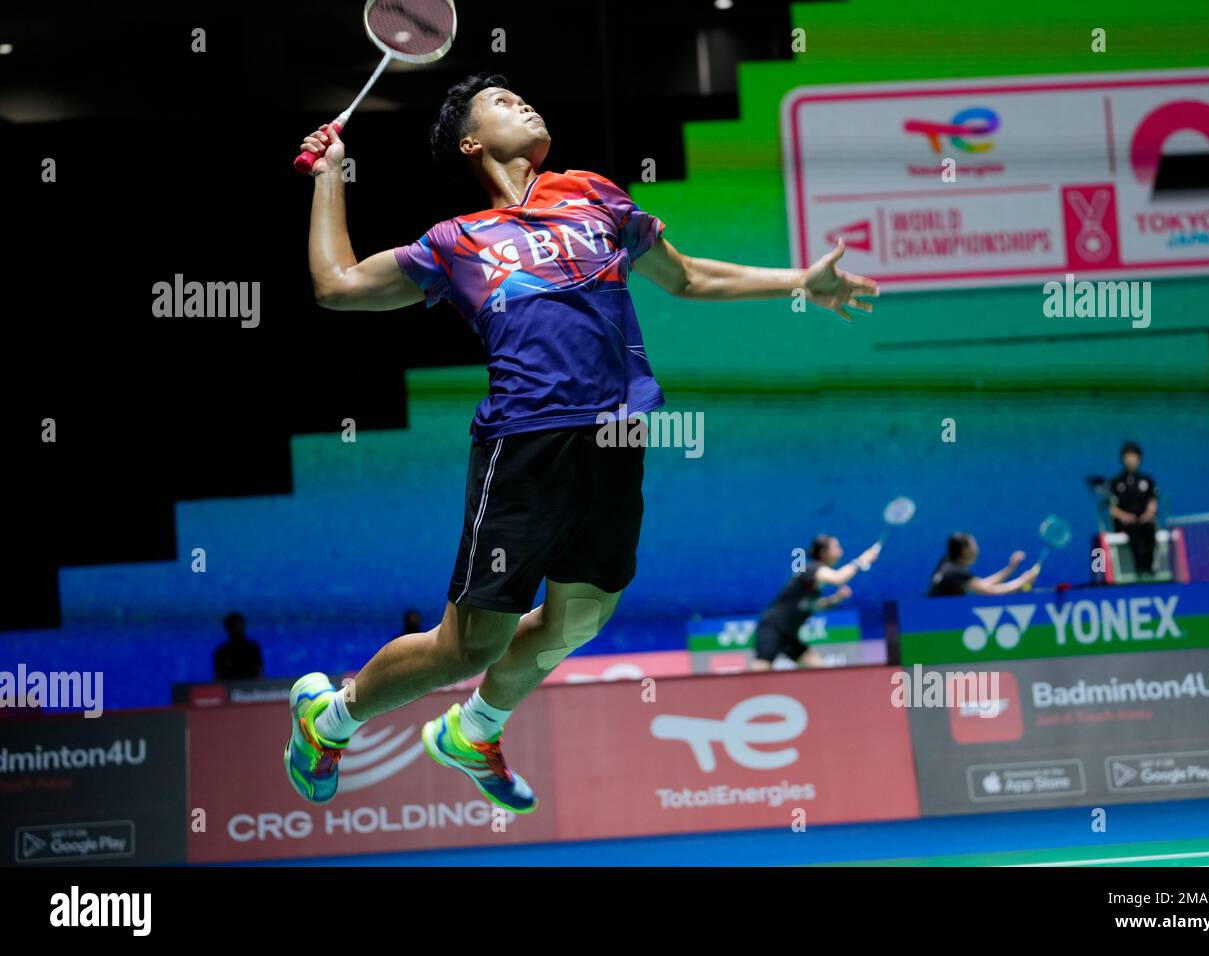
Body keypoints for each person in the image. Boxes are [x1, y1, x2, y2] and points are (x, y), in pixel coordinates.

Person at [284, 74, 880, 810]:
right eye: (501, 102)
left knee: (584, 614)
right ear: (471, 142)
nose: (524, 102)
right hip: (525, 443)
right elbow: (337, 285)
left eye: (522, 95)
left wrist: (802, 282)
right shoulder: (457, 242)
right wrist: (332, 177)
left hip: (617, 431)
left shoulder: (594, 195)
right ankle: (329, 716)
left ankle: (475, 730)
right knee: (470, 646)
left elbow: (688, 277)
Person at [751, 535, 878, 671]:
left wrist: (835, 599)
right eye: (836, 547)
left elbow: (812, 606)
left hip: (789, 634)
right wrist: (861, 561)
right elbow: (838, 578)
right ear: (824, 553)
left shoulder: (814, 581)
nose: (840, 550)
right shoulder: (811, 569)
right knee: (760, 672)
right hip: (772, 627)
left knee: (817, 668)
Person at [927, 533, 1040, 596]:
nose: (977, 549)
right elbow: (989, 591)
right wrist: (1022, 582)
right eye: (974, 545)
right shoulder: (955, 572)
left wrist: (1010, 570)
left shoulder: (947, 565)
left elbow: (983, 584)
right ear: (965, 550)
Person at [1108, 441, 1159, 574]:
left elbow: (1153, 501)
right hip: (1126, 523)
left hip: (1144, 520)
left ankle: (1149, 566)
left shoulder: (1146, 480)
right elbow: (1112, 508)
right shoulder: (1116, 482)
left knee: (1149, 527)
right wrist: (1126, 517)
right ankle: (1139, 568)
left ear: (1139, 458)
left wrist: (1148, 515)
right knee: (1134, 528)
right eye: (1127, 456)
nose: (1131, 460)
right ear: (1122, 459)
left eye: (1133, 456)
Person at [214, 612, 263, 681]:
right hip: (229, 688)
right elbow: (218, 677)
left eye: (240, 627)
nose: (238, 631)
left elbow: (259, 673)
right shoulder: (221, 652)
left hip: (252, 688)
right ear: (228, 629)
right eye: (235, 628)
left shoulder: (253, 648)